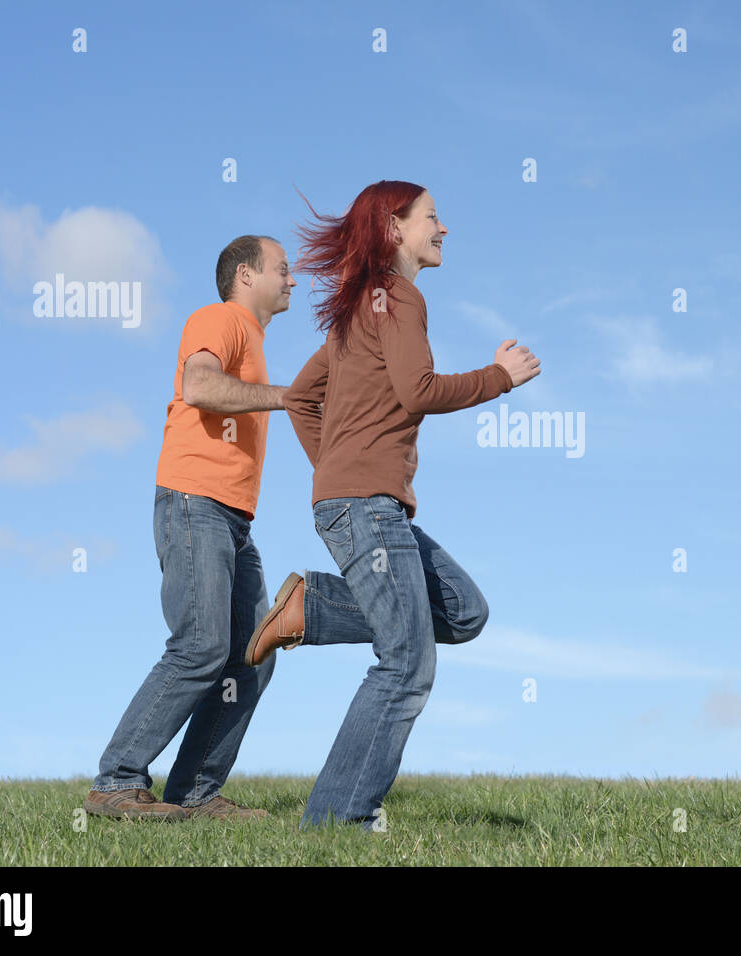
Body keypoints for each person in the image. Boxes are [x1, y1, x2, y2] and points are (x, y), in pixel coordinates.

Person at [244, 181, 540, 831]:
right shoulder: (398, 297)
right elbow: (417, 391)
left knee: (463, 611)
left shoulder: (359, 309)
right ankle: (336, 820)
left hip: (358, 502)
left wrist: (333, 468)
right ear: (394, 228)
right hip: (365, 507)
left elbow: (298, 398)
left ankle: (314, 606)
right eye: (433, 217)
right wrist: (500, 379)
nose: (444, 228)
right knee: (406, 662)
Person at [83, 235, 296, 820]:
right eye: (283, 268)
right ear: (246, 275)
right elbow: (198, 386)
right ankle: (116, 782)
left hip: (232, 518)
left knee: (253, 652)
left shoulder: (251, 339)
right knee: (201, 645)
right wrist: (288, 398)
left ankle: (196, 792)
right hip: (194, 502)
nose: (293, 279)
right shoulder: (219, 318)